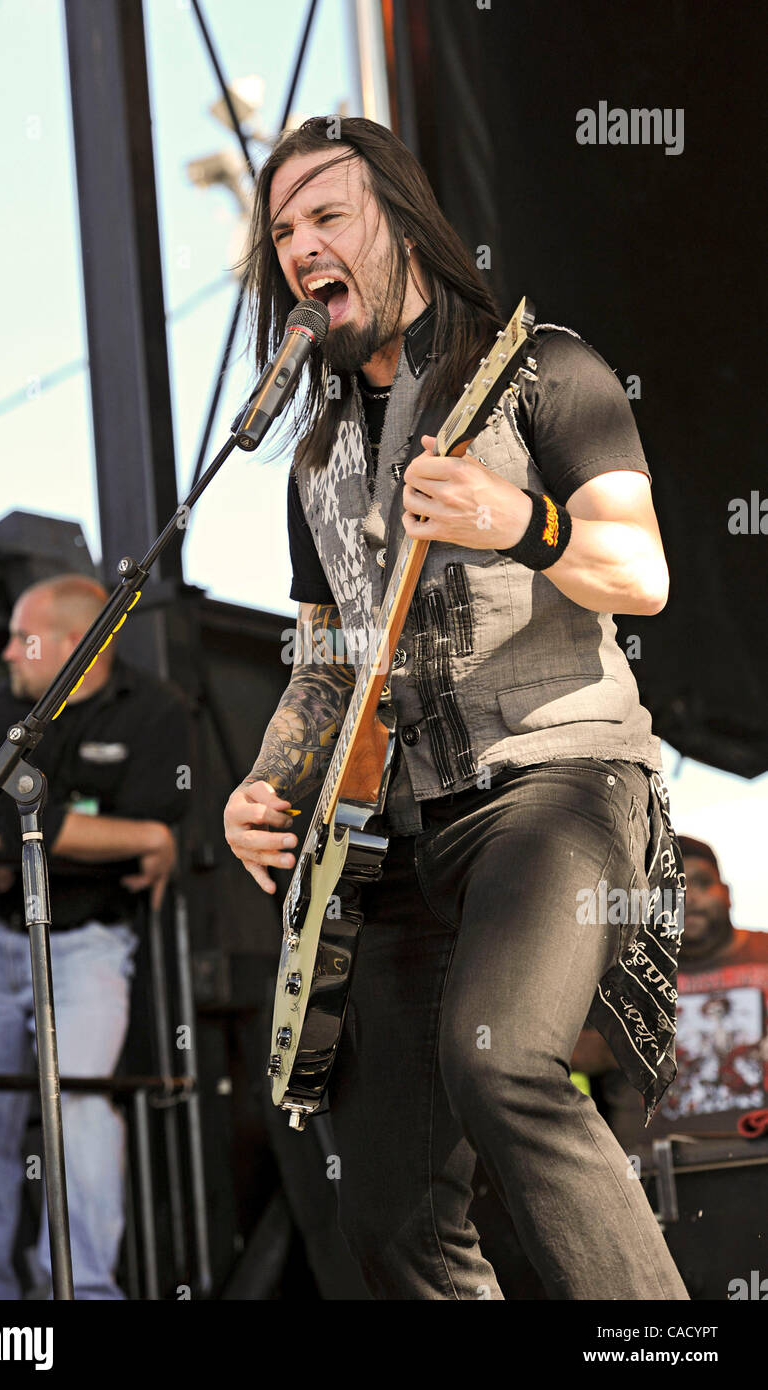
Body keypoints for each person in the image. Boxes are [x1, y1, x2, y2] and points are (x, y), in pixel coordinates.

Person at [223, 116, 689, 1300]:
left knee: (503, 1067)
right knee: (384, 1206)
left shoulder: (544, 367)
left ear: (406, 222)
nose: (298, 246)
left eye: (327, 215)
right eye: (281, 228)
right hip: (398, 831)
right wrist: (264, 782)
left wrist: (516, 523)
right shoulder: (315, 447)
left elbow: (640, 574)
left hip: (556, 777)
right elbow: (329, 656)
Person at [0, 574, 192, 1299]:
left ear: (76, 645)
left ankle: (84, 1292)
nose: (6, 652)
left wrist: (132, 835)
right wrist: (127, 834)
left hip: (88, 942)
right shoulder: (0, 710)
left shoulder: (157, 711)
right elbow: (15, 825)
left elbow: (165, 832)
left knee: (80, 1108)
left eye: (23, 637)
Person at [575, 836, 768, 1159]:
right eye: (671, 890)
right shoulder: (617, 970)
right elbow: (550, 1053)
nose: (689, 899)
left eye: (702, 883)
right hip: (649, 1173)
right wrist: (616, 1045)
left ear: (728, 894)